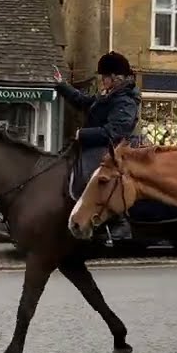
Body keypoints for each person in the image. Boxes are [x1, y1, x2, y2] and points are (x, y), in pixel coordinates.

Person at [54, 51, 140, 241]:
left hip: (117, 149)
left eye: (104, 77)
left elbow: (114, 132)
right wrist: (61, 85)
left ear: (115, 78)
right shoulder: (110, 95)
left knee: (95, 176)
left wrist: (82, 134)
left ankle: (120, 223)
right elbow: (84, 101)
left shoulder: (125, 101)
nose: (102, 81)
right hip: (102, 145)